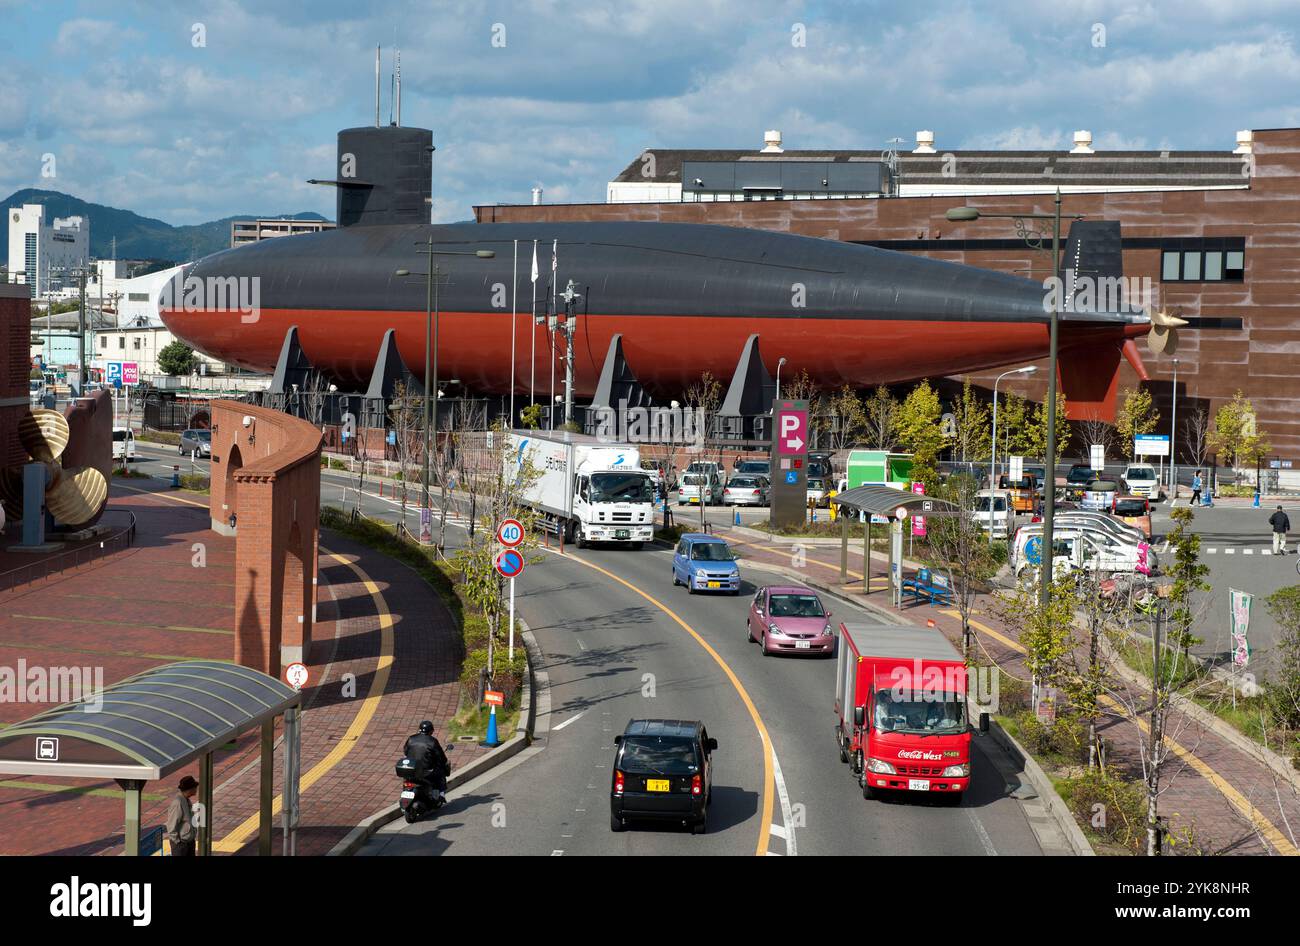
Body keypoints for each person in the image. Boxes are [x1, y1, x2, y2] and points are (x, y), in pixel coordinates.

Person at [403, 720, 449, 802]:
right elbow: (441, 756)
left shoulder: (411, 738)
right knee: (441, 773)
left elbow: (406, 751)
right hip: (426, 772)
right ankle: (441, 794)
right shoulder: (432, 741)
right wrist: (444, 762)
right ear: (431, 731)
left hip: (411, 770)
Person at [165, 775, 198, 856]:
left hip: (189, 842)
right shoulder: (178, 803)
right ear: (190, 789)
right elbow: (171, 826)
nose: (196, 789)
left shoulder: (186, 800)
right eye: (195, 787)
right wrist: (178, 842)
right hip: (181, 845)